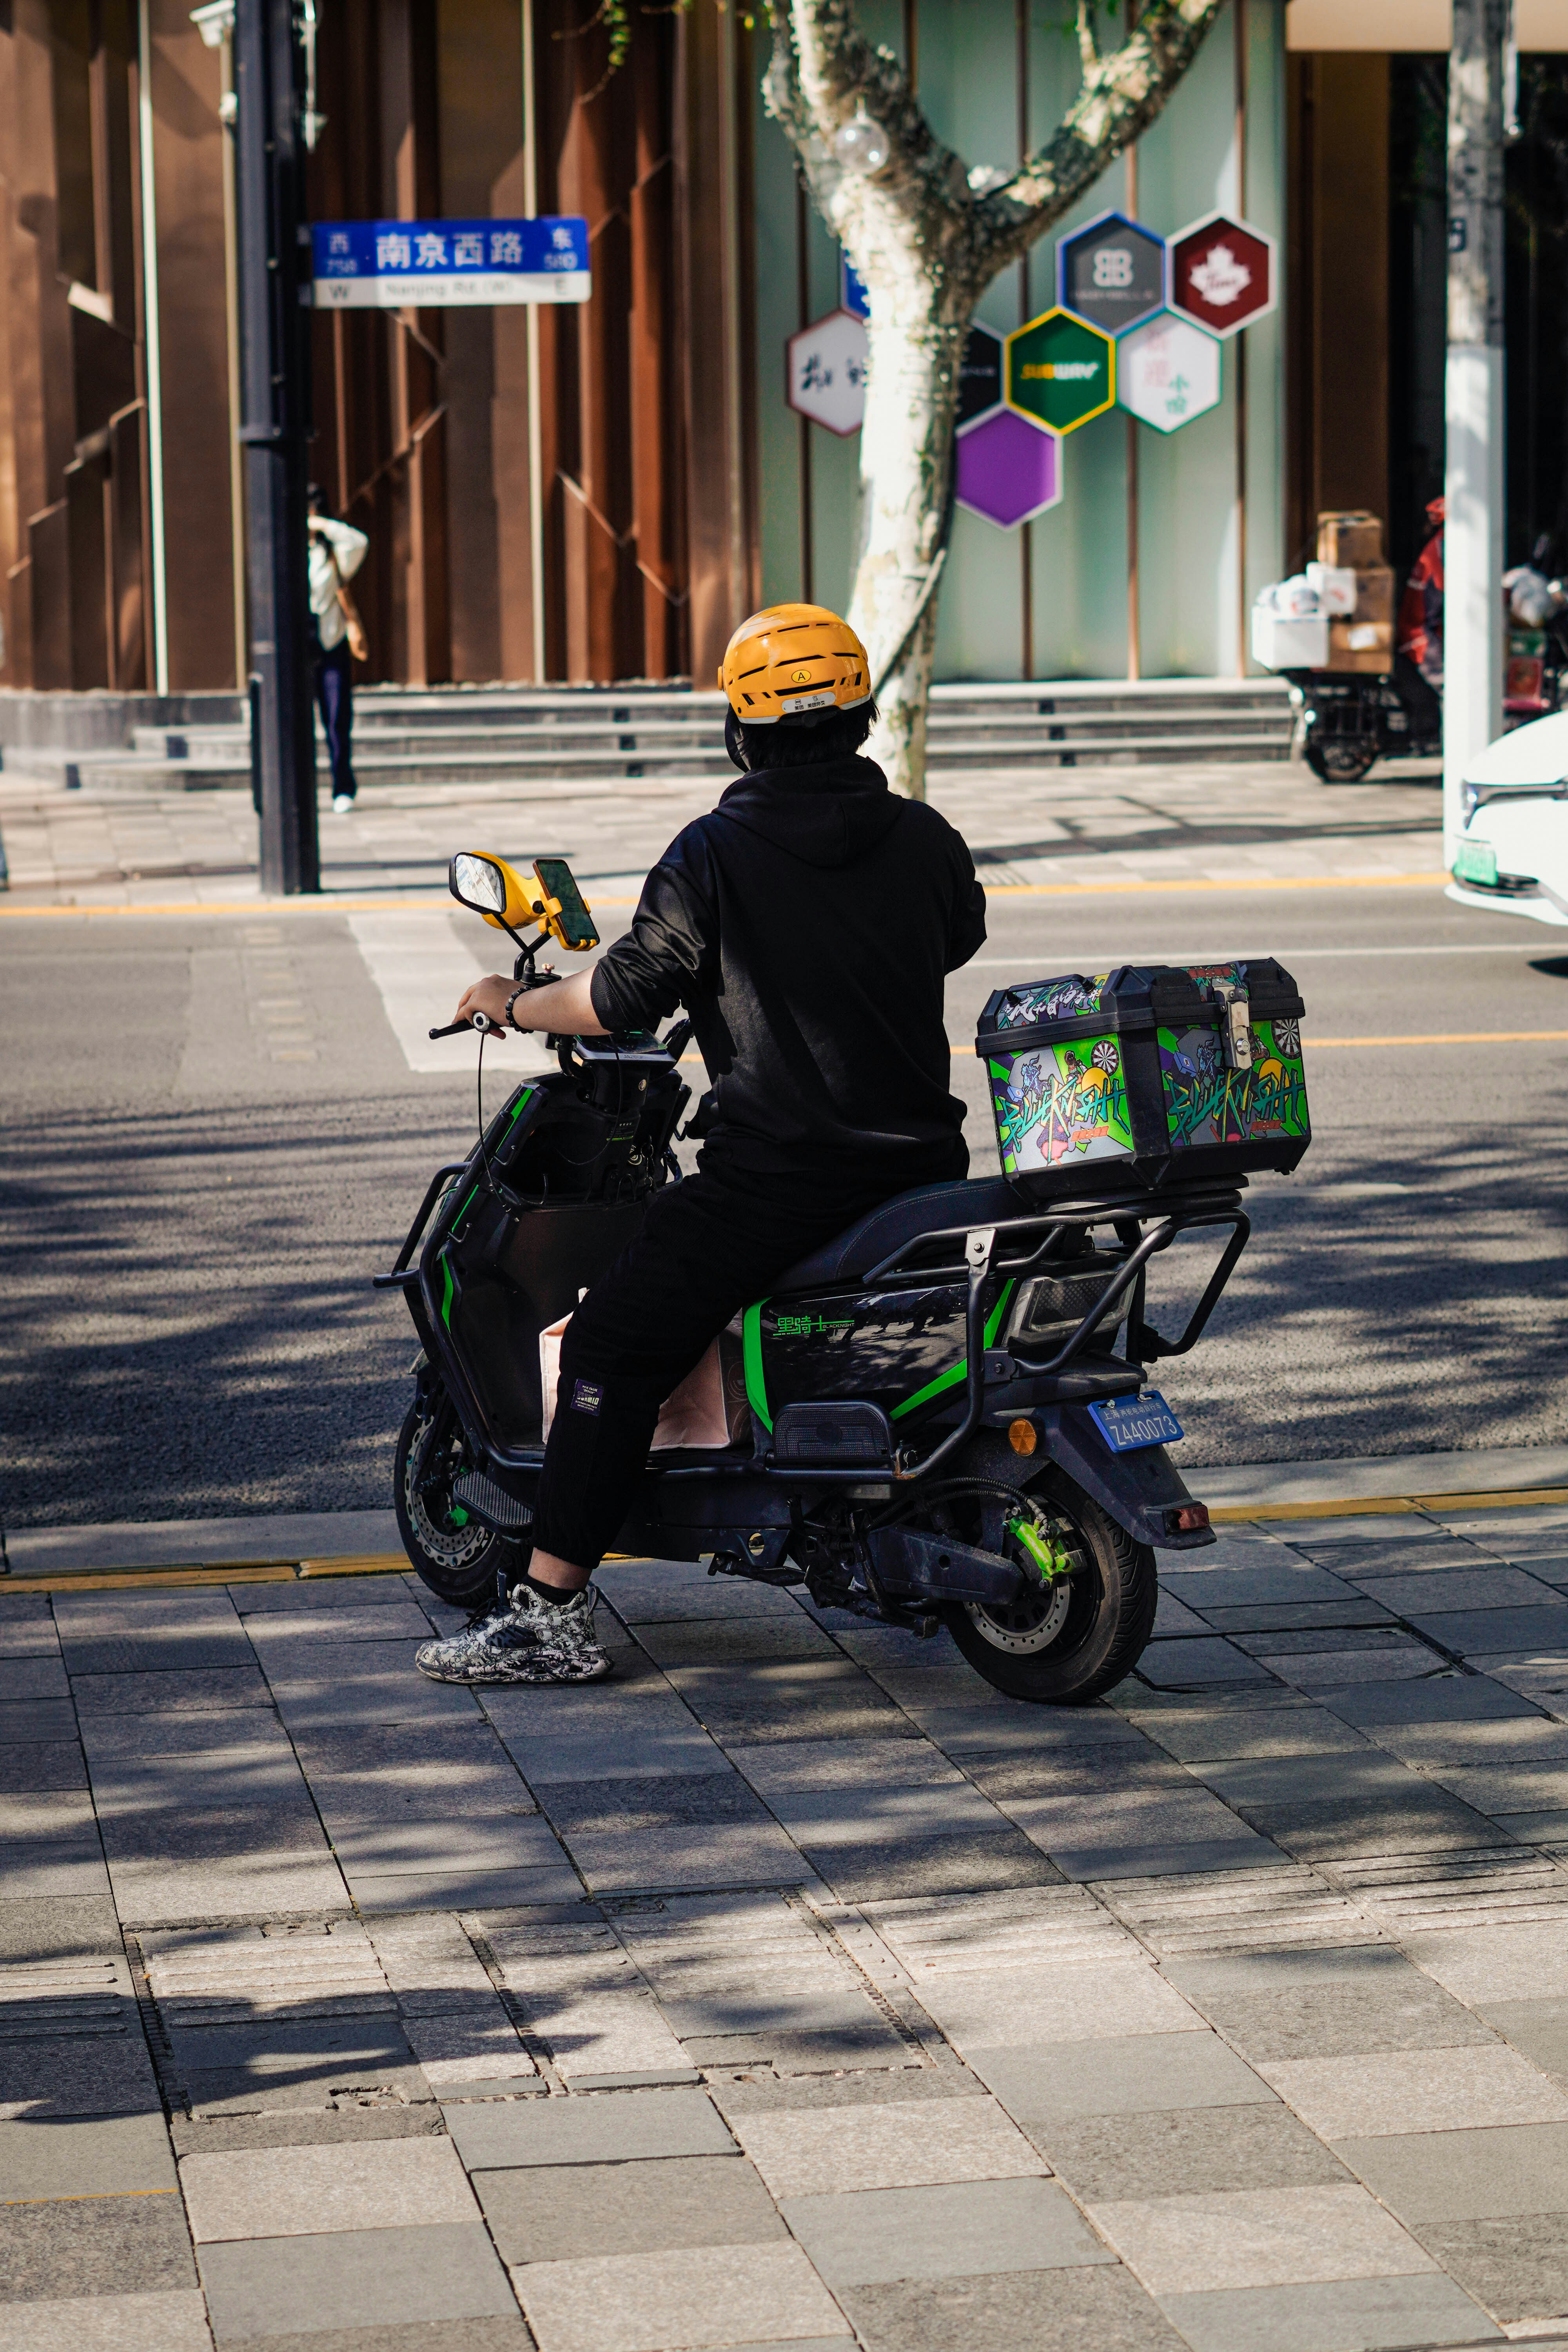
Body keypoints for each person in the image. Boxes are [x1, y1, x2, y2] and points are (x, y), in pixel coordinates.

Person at [415, 602, 987, 1687]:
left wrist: (519, 1000)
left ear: (743, 733)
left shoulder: (716, 853)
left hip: (777, 1184)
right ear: (860, 717)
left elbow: (628, 998)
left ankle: (548, 1615)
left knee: (608, 1348)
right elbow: (957, 933)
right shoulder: (924, 838)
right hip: (918, 1174)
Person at [307, 488, 368, 814]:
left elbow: (359, 543)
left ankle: (342, 786)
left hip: (330, 644)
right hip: (298, 652)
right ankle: (301, 789)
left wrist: (324, 526)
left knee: (336, 718)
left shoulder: (332, 554)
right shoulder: (287, 550)